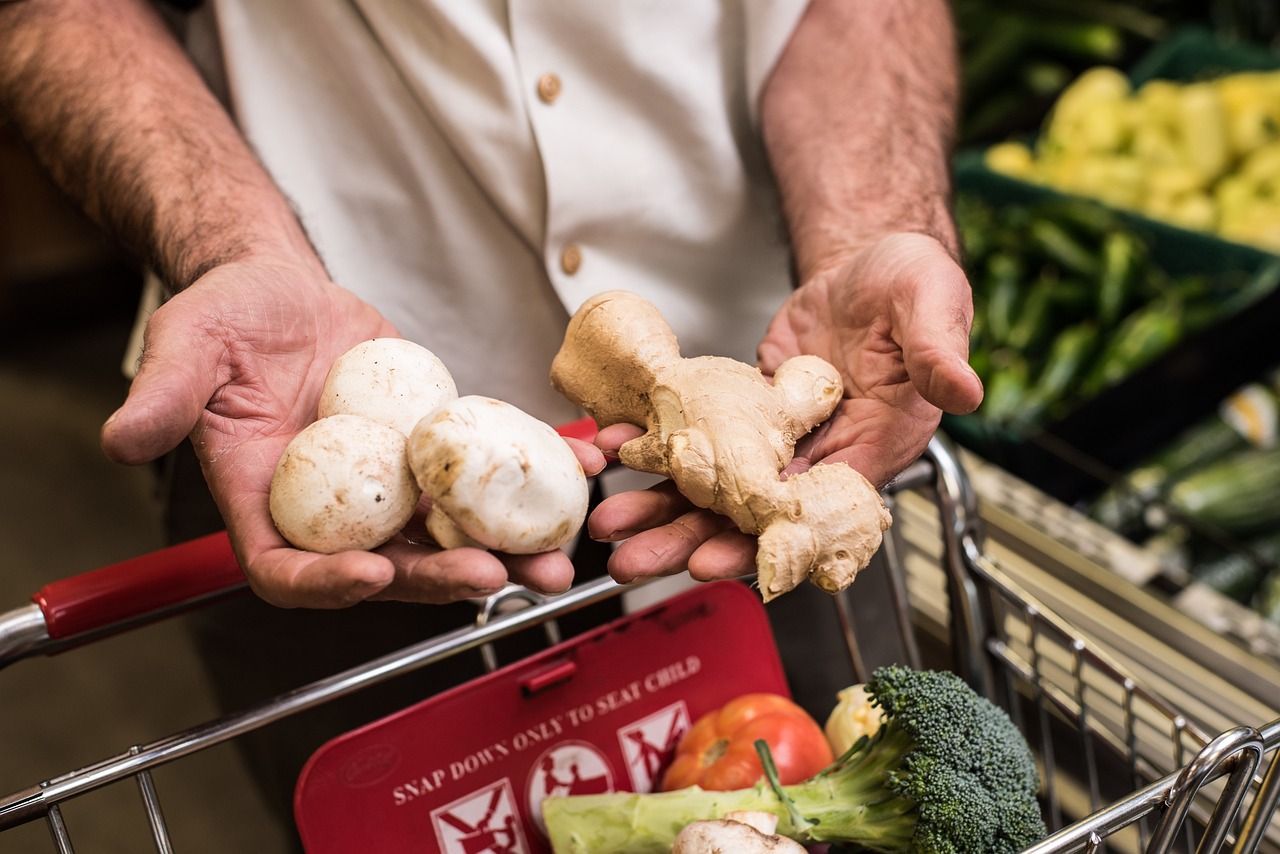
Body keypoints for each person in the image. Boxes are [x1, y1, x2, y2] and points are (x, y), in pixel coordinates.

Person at [0, 0, 984, 837]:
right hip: (314, 411)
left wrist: (870, 227)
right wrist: (228, 250)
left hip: (779, 409)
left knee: (831, 807)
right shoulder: (337, 445)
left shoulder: (774, 446)